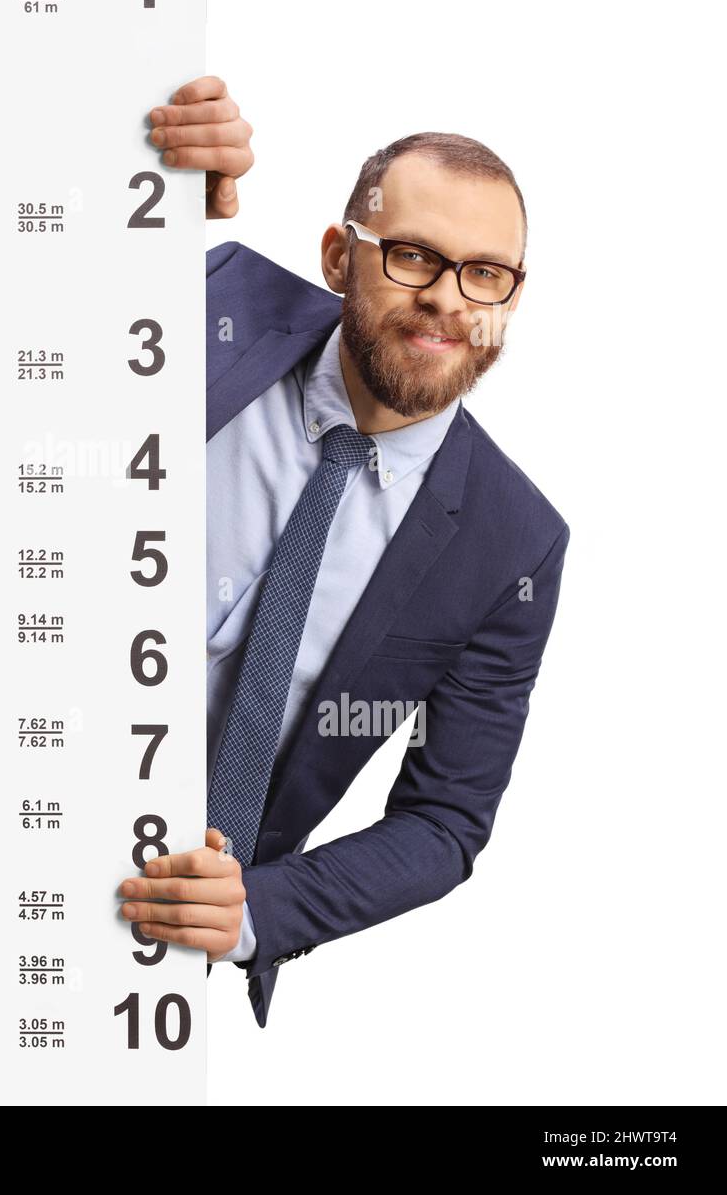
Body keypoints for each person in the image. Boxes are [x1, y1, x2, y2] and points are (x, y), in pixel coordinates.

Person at [116, 77, 570, 1027]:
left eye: (487, 274)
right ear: (338, 255)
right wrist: (138, 181)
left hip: (153, 920)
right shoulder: (213, 299)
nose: (448, 301)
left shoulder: (512, 542)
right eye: (412, 256)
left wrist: (256, 912)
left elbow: (444, 821)